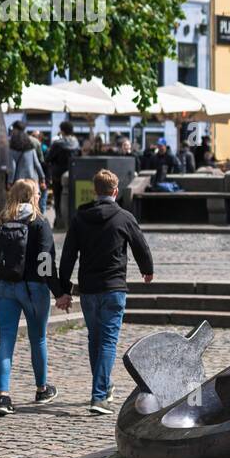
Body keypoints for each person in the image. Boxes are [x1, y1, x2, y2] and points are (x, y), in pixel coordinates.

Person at [56, 169, 154, 415]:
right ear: (115, 191)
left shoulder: (80, 218)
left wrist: (62, 288)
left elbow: (68, 255)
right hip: (113, 288)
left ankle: (104, 386)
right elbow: (140, 245)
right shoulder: (124, 217)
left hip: (88, 290)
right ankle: (98, 396)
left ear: (95, 191)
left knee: (95, 339)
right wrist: (147, 270)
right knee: (108, 341)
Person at [0, 178, 64, 416]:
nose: (40, 196)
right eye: (38, 193)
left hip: (4, 288)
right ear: (32, 196)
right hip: (33, 288)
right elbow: (46, 261)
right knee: (38, 339)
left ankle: (3, 396)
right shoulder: (39, 223)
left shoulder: (0, 221)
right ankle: (42, 389)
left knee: (6, 340)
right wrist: (58, 291)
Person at [43, 121, 80, 222]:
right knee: (72, 197)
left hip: (58, 175)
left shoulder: (57, 144)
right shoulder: (76, 143)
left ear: (62, 131)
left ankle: (59, 219)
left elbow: (47, 159)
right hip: (73, 174)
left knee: (58, 198)